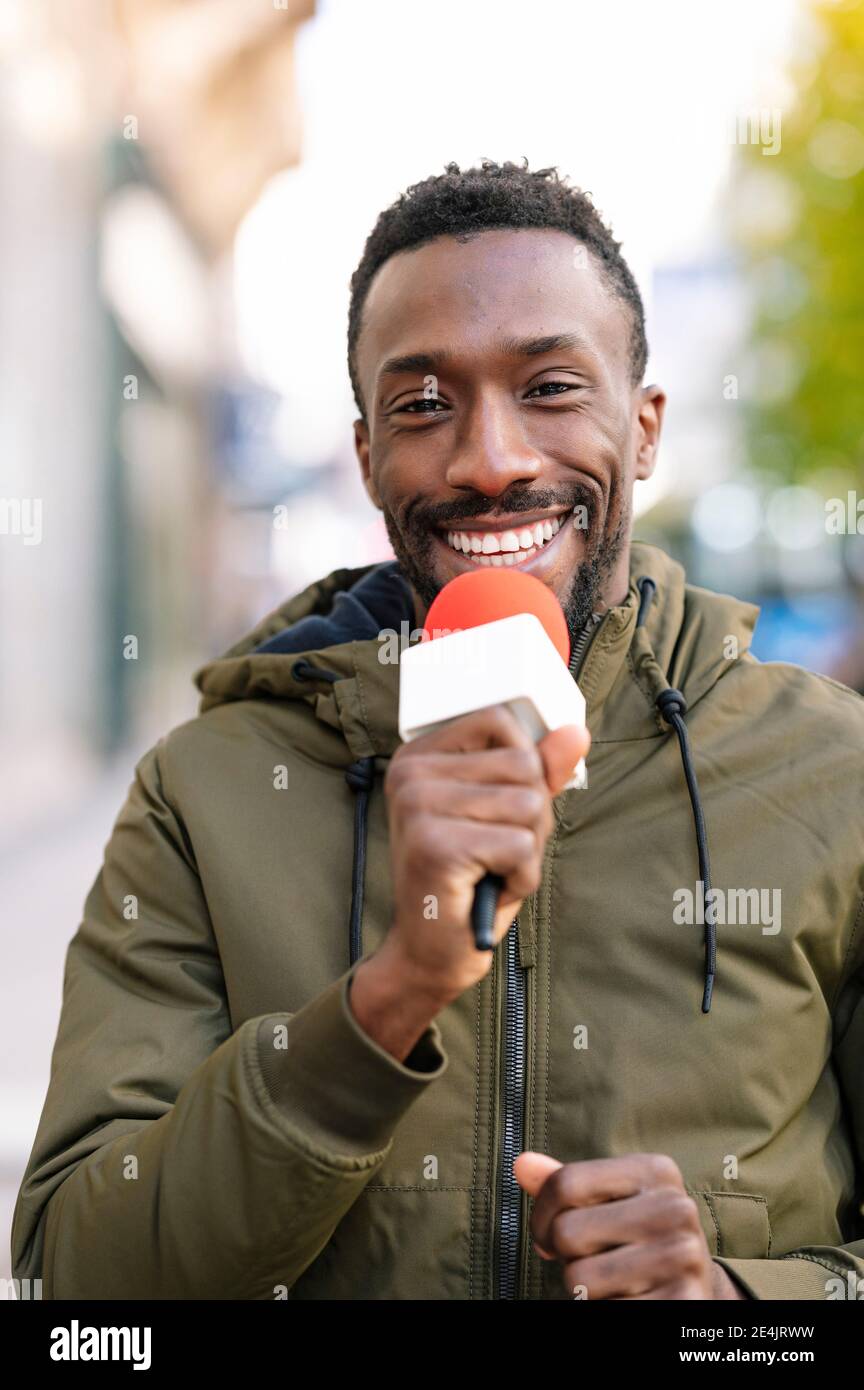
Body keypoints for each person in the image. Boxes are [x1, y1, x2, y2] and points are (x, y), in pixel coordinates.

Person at [12, 160, 864, 1301]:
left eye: (553, 387)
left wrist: (744, 1308)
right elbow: (80, 1291)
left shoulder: (829, 767)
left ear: (645, 426)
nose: (491, 459)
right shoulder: (202, 793)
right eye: (422, 405)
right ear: (366, 456)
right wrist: (387, 999)